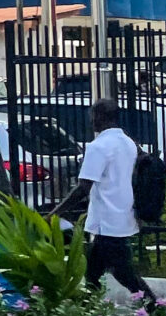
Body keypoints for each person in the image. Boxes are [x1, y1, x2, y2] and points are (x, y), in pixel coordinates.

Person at [60, 98, 155, 301]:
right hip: (122, 215)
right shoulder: (128, 143)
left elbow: (83, 187)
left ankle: (159, 312)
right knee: (93, 273)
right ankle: (91, 315)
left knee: (125, 275)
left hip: (106, 222)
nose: (91, 121)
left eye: (92, 116)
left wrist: (55, 213)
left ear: (99, 117)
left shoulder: (98, 146)